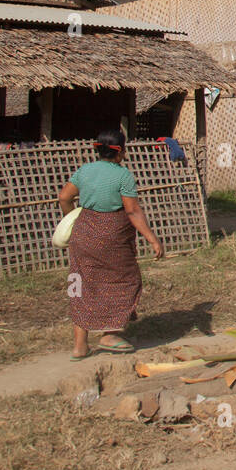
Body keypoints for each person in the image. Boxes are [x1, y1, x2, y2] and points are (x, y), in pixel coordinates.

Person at [58, 129, 165, 360]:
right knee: (124, 280)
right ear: (121, 152)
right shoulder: (122, 176)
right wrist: (152, 238)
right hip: (112, 238)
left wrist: (73, 218)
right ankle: (110, 334)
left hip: (83, 234)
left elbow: (64, 197)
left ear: (98, 149)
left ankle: (79, 346)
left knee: (81, 284)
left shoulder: (84, 171)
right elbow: (132, 210)